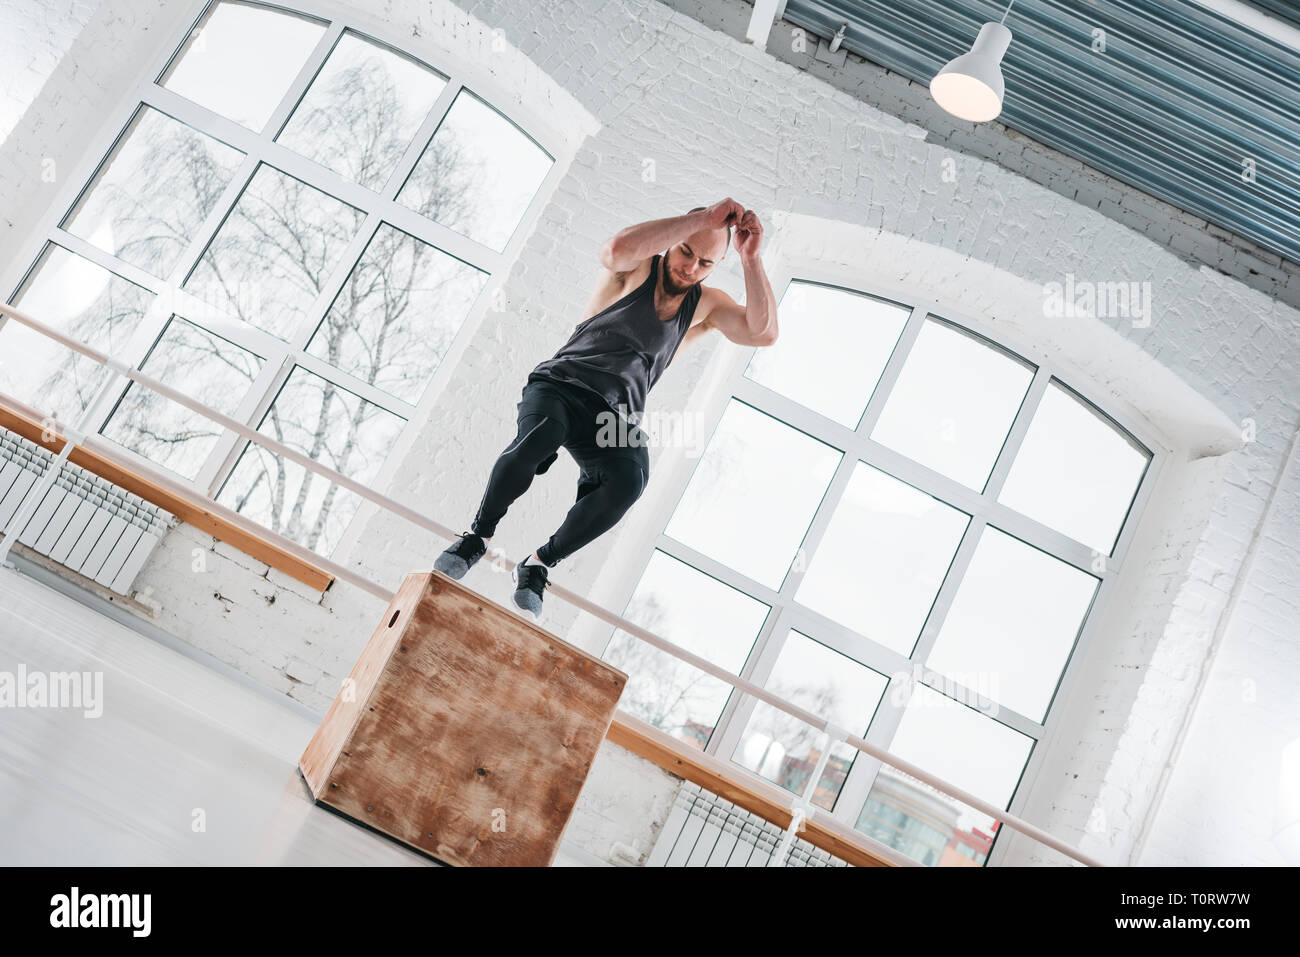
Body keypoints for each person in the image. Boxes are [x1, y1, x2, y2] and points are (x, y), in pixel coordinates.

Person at [434, 198, 779, 619]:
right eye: (686, 251)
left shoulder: (706, 305)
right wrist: (700, 221)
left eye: (705, 262)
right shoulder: (636, 267)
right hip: (561, 386)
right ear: (674, 241)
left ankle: (538, 565)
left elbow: (762, 333)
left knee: (629, 480)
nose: (690, 268)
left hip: (612, 419)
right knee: (536, 440)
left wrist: (750, 259)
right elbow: (613, 250)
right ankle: (476, 538)